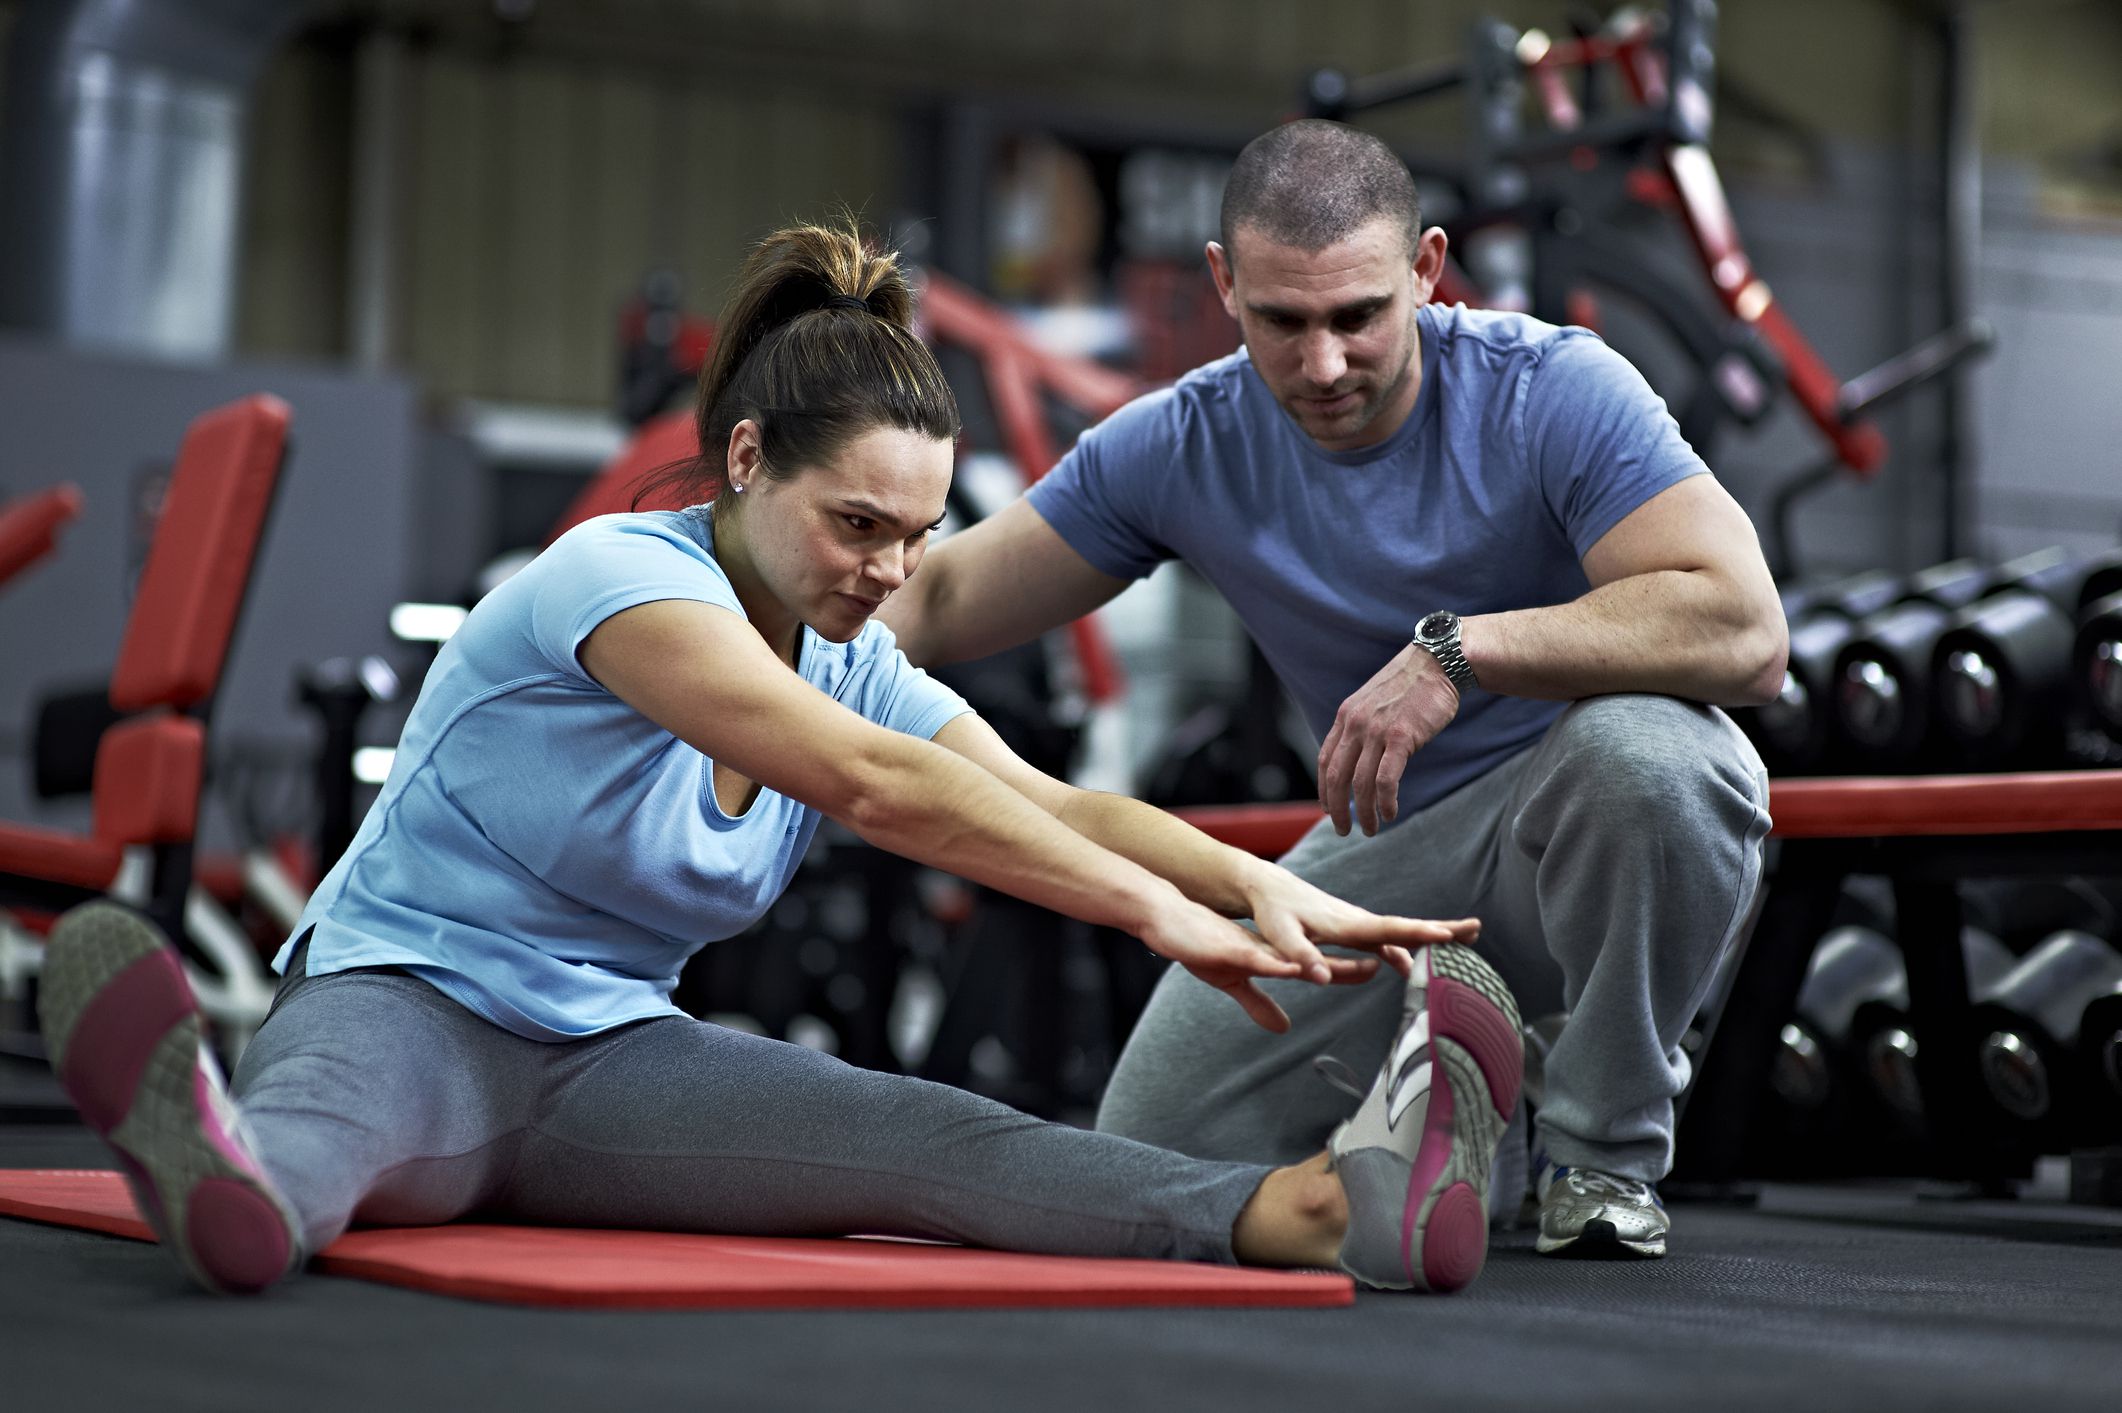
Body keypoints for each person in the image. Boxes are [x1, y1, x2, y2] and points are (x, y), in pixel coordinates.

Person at [37, 220, 1521, 1299]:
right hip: (400, 1005)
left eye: (918, 536)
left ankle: (1336, 1206)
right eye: (855, 525)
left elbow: (1044, 799)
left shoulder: (850, 646)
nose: (889, 570)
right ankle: (224, 1179)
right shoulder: (615, 578)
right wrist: (1148, 915)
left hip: (613, 1060)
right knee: (307, 1154)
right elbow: (877, 787)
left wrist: (1262, 883)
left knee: (935, 1139)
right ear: (746, 463)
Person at [879, 120, 1784, 1259]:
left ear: (1425, 268)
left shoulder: (1552, 390)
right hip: (1396, 851)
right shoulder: (1183, 441)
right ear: (1223, 285)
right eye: (1281, 322)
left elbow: (1746, 626)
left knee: (1656, 760)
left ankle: (1598, 1159)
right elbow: (947, 598)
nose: (1321, 366)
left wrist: (1456, 653)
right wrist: (716, 631)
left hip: (1580, 824)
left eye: (1358, 317)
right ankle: (1479, 1115)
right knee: (1162, 1146)